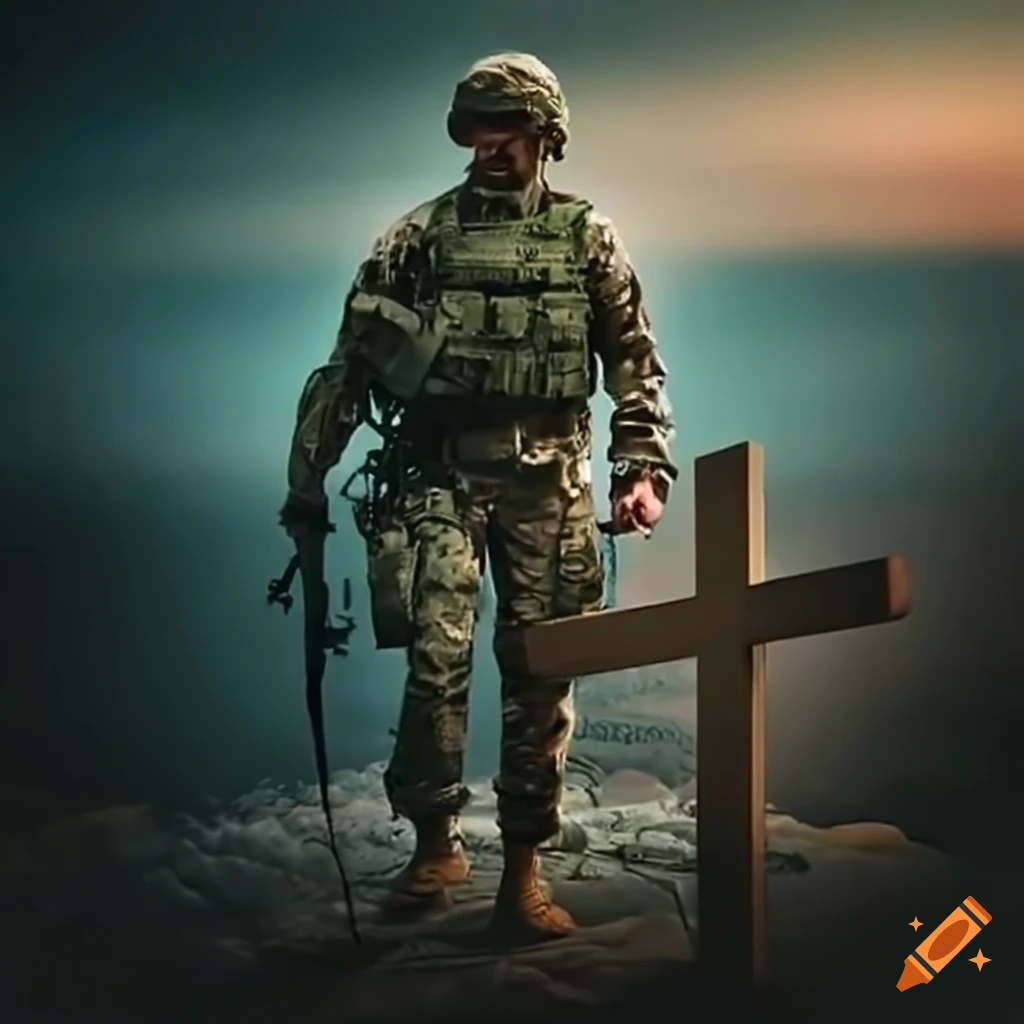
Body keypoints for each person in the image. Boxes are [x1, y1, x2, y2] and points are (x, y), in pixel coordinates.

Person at [279, 52, 676, 945]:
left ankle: (524, 876)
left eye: (511, 132)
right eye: (479, 133)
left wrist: (640, 469)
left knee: (540, 674)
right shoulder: (417, 239)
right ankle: (435, 845)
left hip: (551, 481)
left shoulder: (586, 239)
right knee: (437, 660)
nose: (493, 149)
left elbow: (634, 362)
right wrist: (305, 485)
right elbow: (348, 364)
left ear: (547, 136)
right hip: (442, 476)